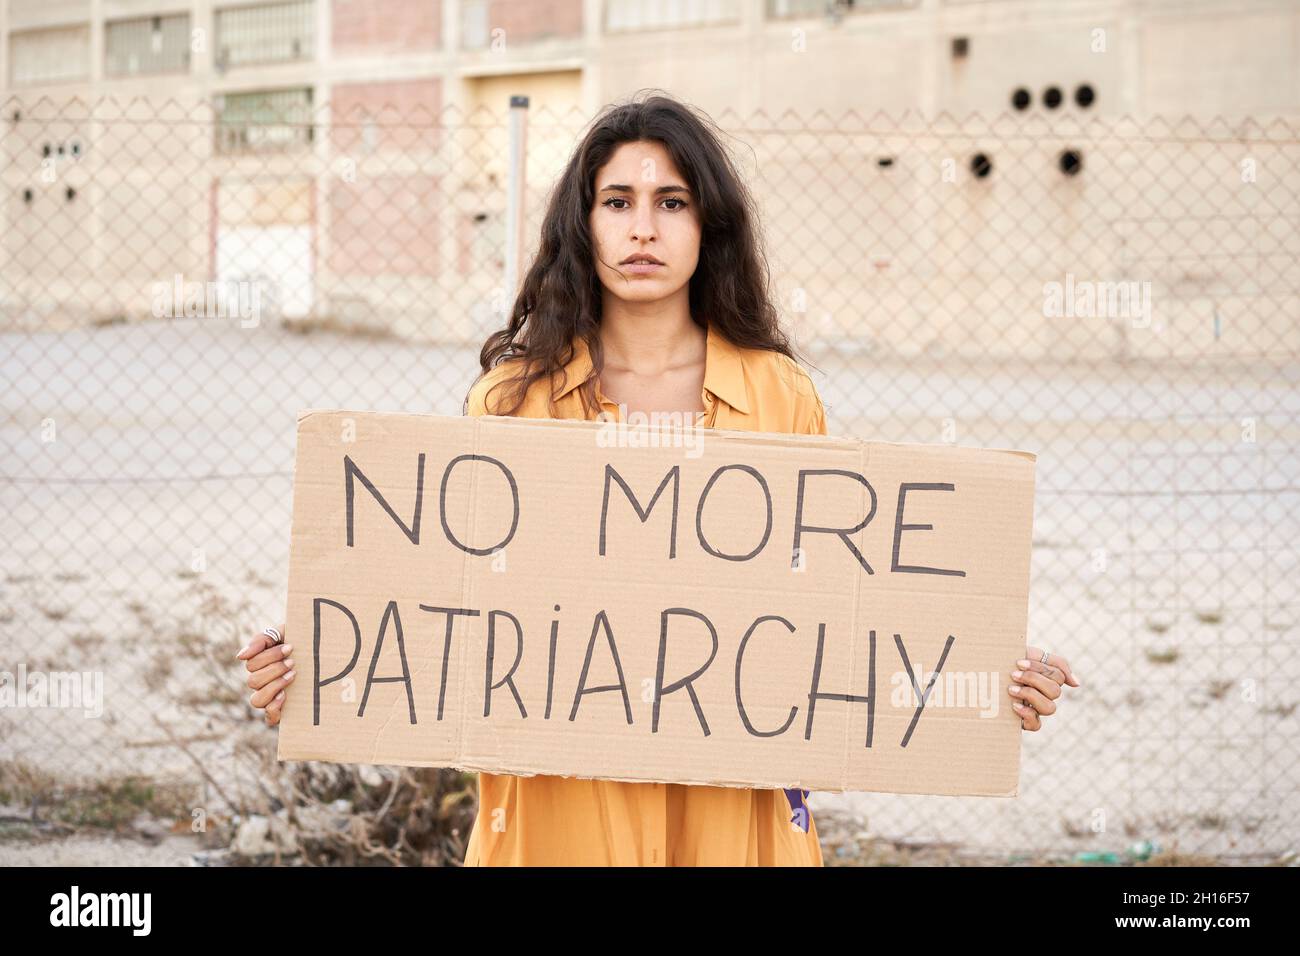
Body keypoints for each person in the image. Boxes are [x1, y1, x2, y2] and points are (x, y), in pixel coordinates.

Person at [237, 90, 1080, 866]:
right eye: (618, 202)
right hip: (559, 804)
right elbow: (444, 600)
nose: (644, 228)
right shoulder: (509, 399)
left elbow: (848, 615)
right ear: (585, 223)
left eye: (671, 202)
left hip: (729, 803)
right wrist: (321, 666)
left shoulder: (782, 397)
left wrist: (982, 677)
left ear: (708, 225)